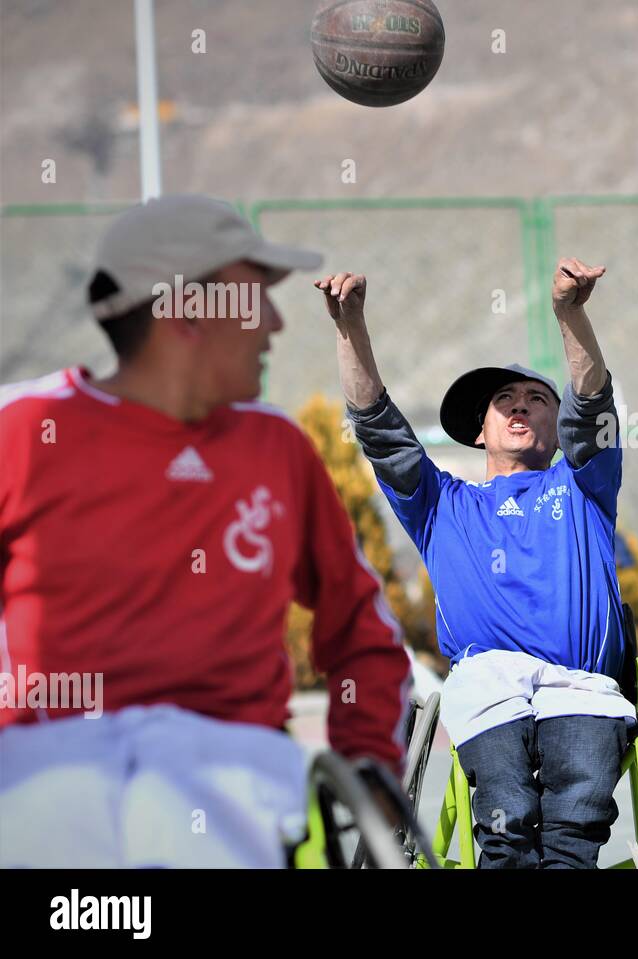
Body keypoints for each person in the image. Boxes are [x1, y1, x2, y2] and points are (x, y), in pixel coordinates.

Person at [0, 195, 412, 868]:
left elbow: (361, 627)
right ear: (187, 311)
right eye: (257, 296)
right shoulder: (20, 432)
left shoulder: (276, 449)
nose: (275, 323)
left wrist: (370, 761)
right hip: (50, 771)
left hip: (228, 774)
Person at [320, 257, 634, 868]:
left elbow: (593, 401)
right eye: (505, 400)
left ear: (555, 420)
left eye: (536, 398)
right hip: (487, 686)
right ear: (481, 429)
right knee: (507, 819)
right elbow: (379, 430)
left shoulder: (583, 485)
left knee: (576, 822)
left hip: (583, 688)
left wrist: (569, 313)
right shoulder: (443, 504)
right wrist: (350, 327)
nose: (520, 406)